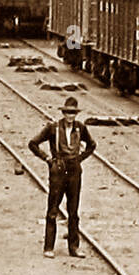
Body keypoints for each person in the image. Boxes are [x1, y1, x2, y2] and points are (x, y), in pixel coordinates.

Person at [28, 96, 96, 258]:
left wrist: (80, 158)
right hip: (58, 170)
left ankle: (74, 248)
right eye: (67, 113)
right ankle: (49, 247)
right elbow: (33, 143)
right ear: (63, 113)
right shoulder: (53, 128)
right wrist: (47, 159)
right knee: (53, 209)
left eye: (73, 113)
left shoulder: (80, 128)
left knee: (73, 211)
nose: (70, 116)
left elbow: (92, 145)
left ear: (76, 114)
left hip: (74, 171)